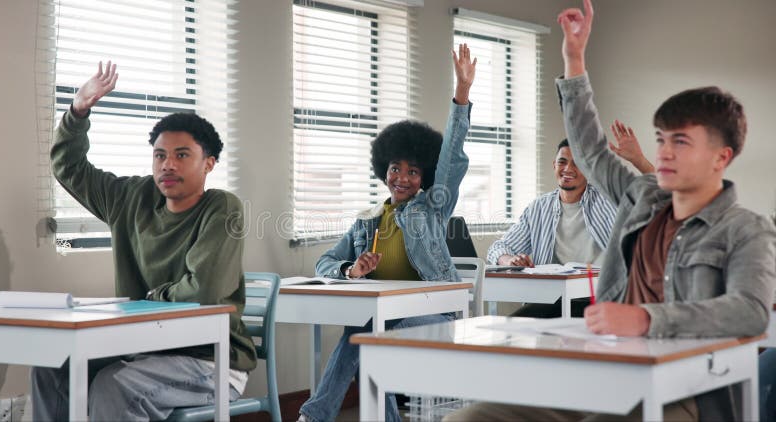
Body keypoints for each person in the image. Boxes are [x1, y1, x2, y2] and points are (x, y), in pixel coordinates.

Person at [446, 0, 776, 420]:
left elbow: (748, 313)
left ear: (721, 157)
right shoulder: (641, 198)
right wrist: (574, 59)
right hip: (601, 376)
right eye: (661, 139)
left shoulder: (747, 229)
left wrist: (644, 319)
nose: (664, 152)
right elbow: (591, 151)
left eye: (682, 141)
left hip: (686, 394)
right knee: (469, 417)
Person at [31, 62, 257, 421]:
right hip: (144, 348)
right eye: (160, 155)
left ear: (209, 164)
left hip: (211, 359)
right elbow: (68, 167)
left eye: (182, 155)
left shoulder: (221, 208)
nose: (168, 165)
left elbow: (206, 290)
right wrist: (78, 111)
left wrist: (155, 297)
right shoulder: (131, 198)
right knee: (53, 368)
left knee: (113, 384)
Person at [297, 44, 476, 422]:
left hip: (438, 317)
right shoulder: (367, 221)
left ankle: (314, 417)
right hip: (383, 319)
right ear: (384, 170)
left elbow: (452, 160)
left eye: (413, 171)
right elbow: (324, 260)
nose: (403, 178)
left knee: (366, 330)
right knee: (368, 332)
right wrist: (350, 270)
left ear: (424, 177)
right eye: (396, 168)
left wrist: (461, 96)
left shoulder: (432, 208)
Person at [487, 134, 651, 318]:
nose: (568, 169)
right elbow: (498, 247)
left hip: (599, 299)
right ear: (554, 165)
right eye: (562, 162)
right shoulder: (539, 208)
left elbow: (656, 193)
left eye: (577, 163)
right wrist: (508, 260)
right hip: (551, 299)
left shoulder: (609, 200)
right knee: (513, 327)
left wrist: (639, 160)